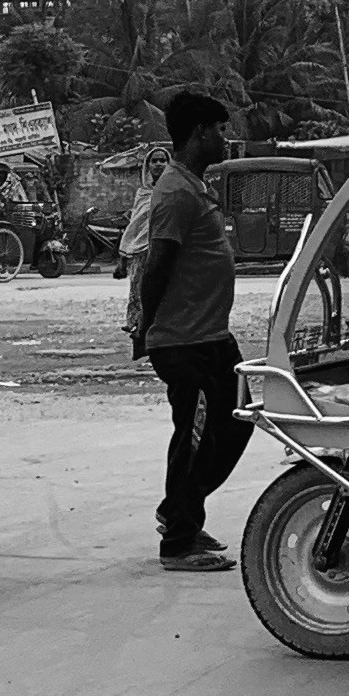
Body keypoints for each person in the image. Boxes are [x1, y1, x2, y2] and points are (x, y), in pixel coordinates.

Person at [131, 85, 250, 571]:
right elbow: (156, 265)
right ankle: (178, 543)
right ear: (200, 133)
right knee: (195, 436)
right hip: (185, 341)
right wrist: (145, 327)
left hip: (212, 336)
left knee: (240, 415)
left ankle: (179, 508)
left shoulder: (193, 185)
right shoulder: (176, 192)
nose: (225, 139)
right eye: (220, 131)